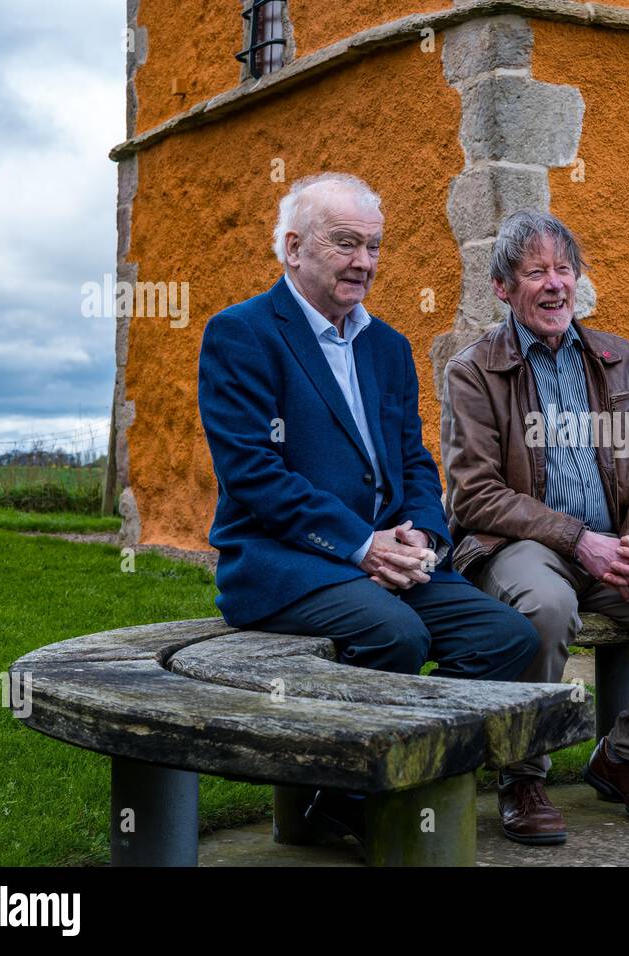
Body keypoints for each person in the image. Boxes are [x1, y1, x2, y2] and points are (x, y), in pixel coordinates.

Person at [197, 173, 538, 842]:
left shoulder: (387, 346)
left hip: (386, 559)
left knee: (506, 638)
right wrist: (361, 545)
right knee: (396, 634)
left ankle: (398, 785)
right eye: (346, 243)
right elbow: (253, 475)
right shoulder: (241, 334)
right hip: (283, 564)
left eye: (374, 247)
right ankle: (349, 794)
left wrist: (424, 541)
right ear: (293, 249)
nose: (364, 262)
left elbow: (413, 462)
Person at [440, 210, 629, 846]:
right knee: (544, 608)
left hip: (618, 548)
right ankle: (521, 773)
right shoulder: (475, 370)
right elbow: (476, 493)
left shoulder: (617, 360)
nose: (554, 285)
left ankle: (626, 757)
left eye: (564, 269)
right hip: (520, 547)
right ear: (502, 288)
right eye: (535, 272)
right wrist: (579, 541)